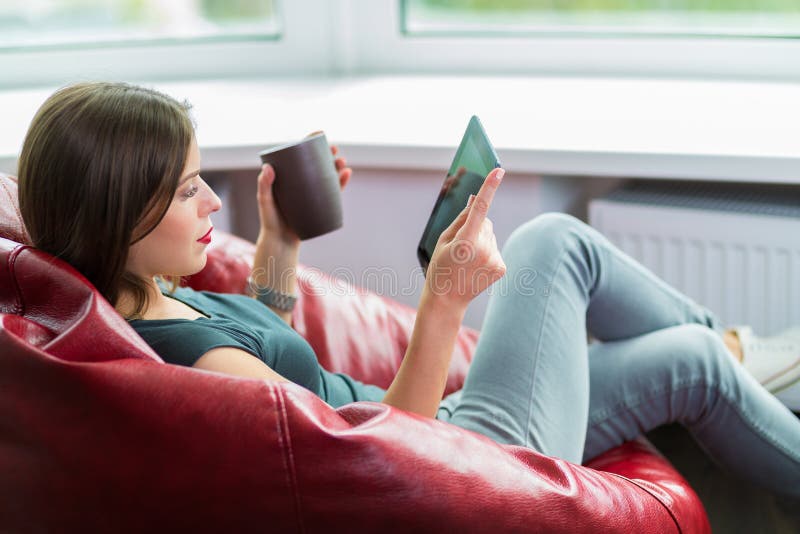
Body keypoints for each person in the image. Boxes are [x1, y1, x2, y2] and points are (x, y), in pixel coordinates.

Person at [17, 82, 800, 501]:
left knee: (691, 359)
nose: (211, 205)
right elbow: (380, 456)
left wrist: (282, 238)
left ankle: (739, 352)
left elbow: (265, 345)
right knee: (550, 243)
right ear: (120, 210)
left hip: (450, 429)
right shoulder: (191, 369)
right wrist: (444, 301)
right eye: (190, 190)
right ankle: (753, 355)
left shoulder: (147, 294)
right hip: (464, 459)